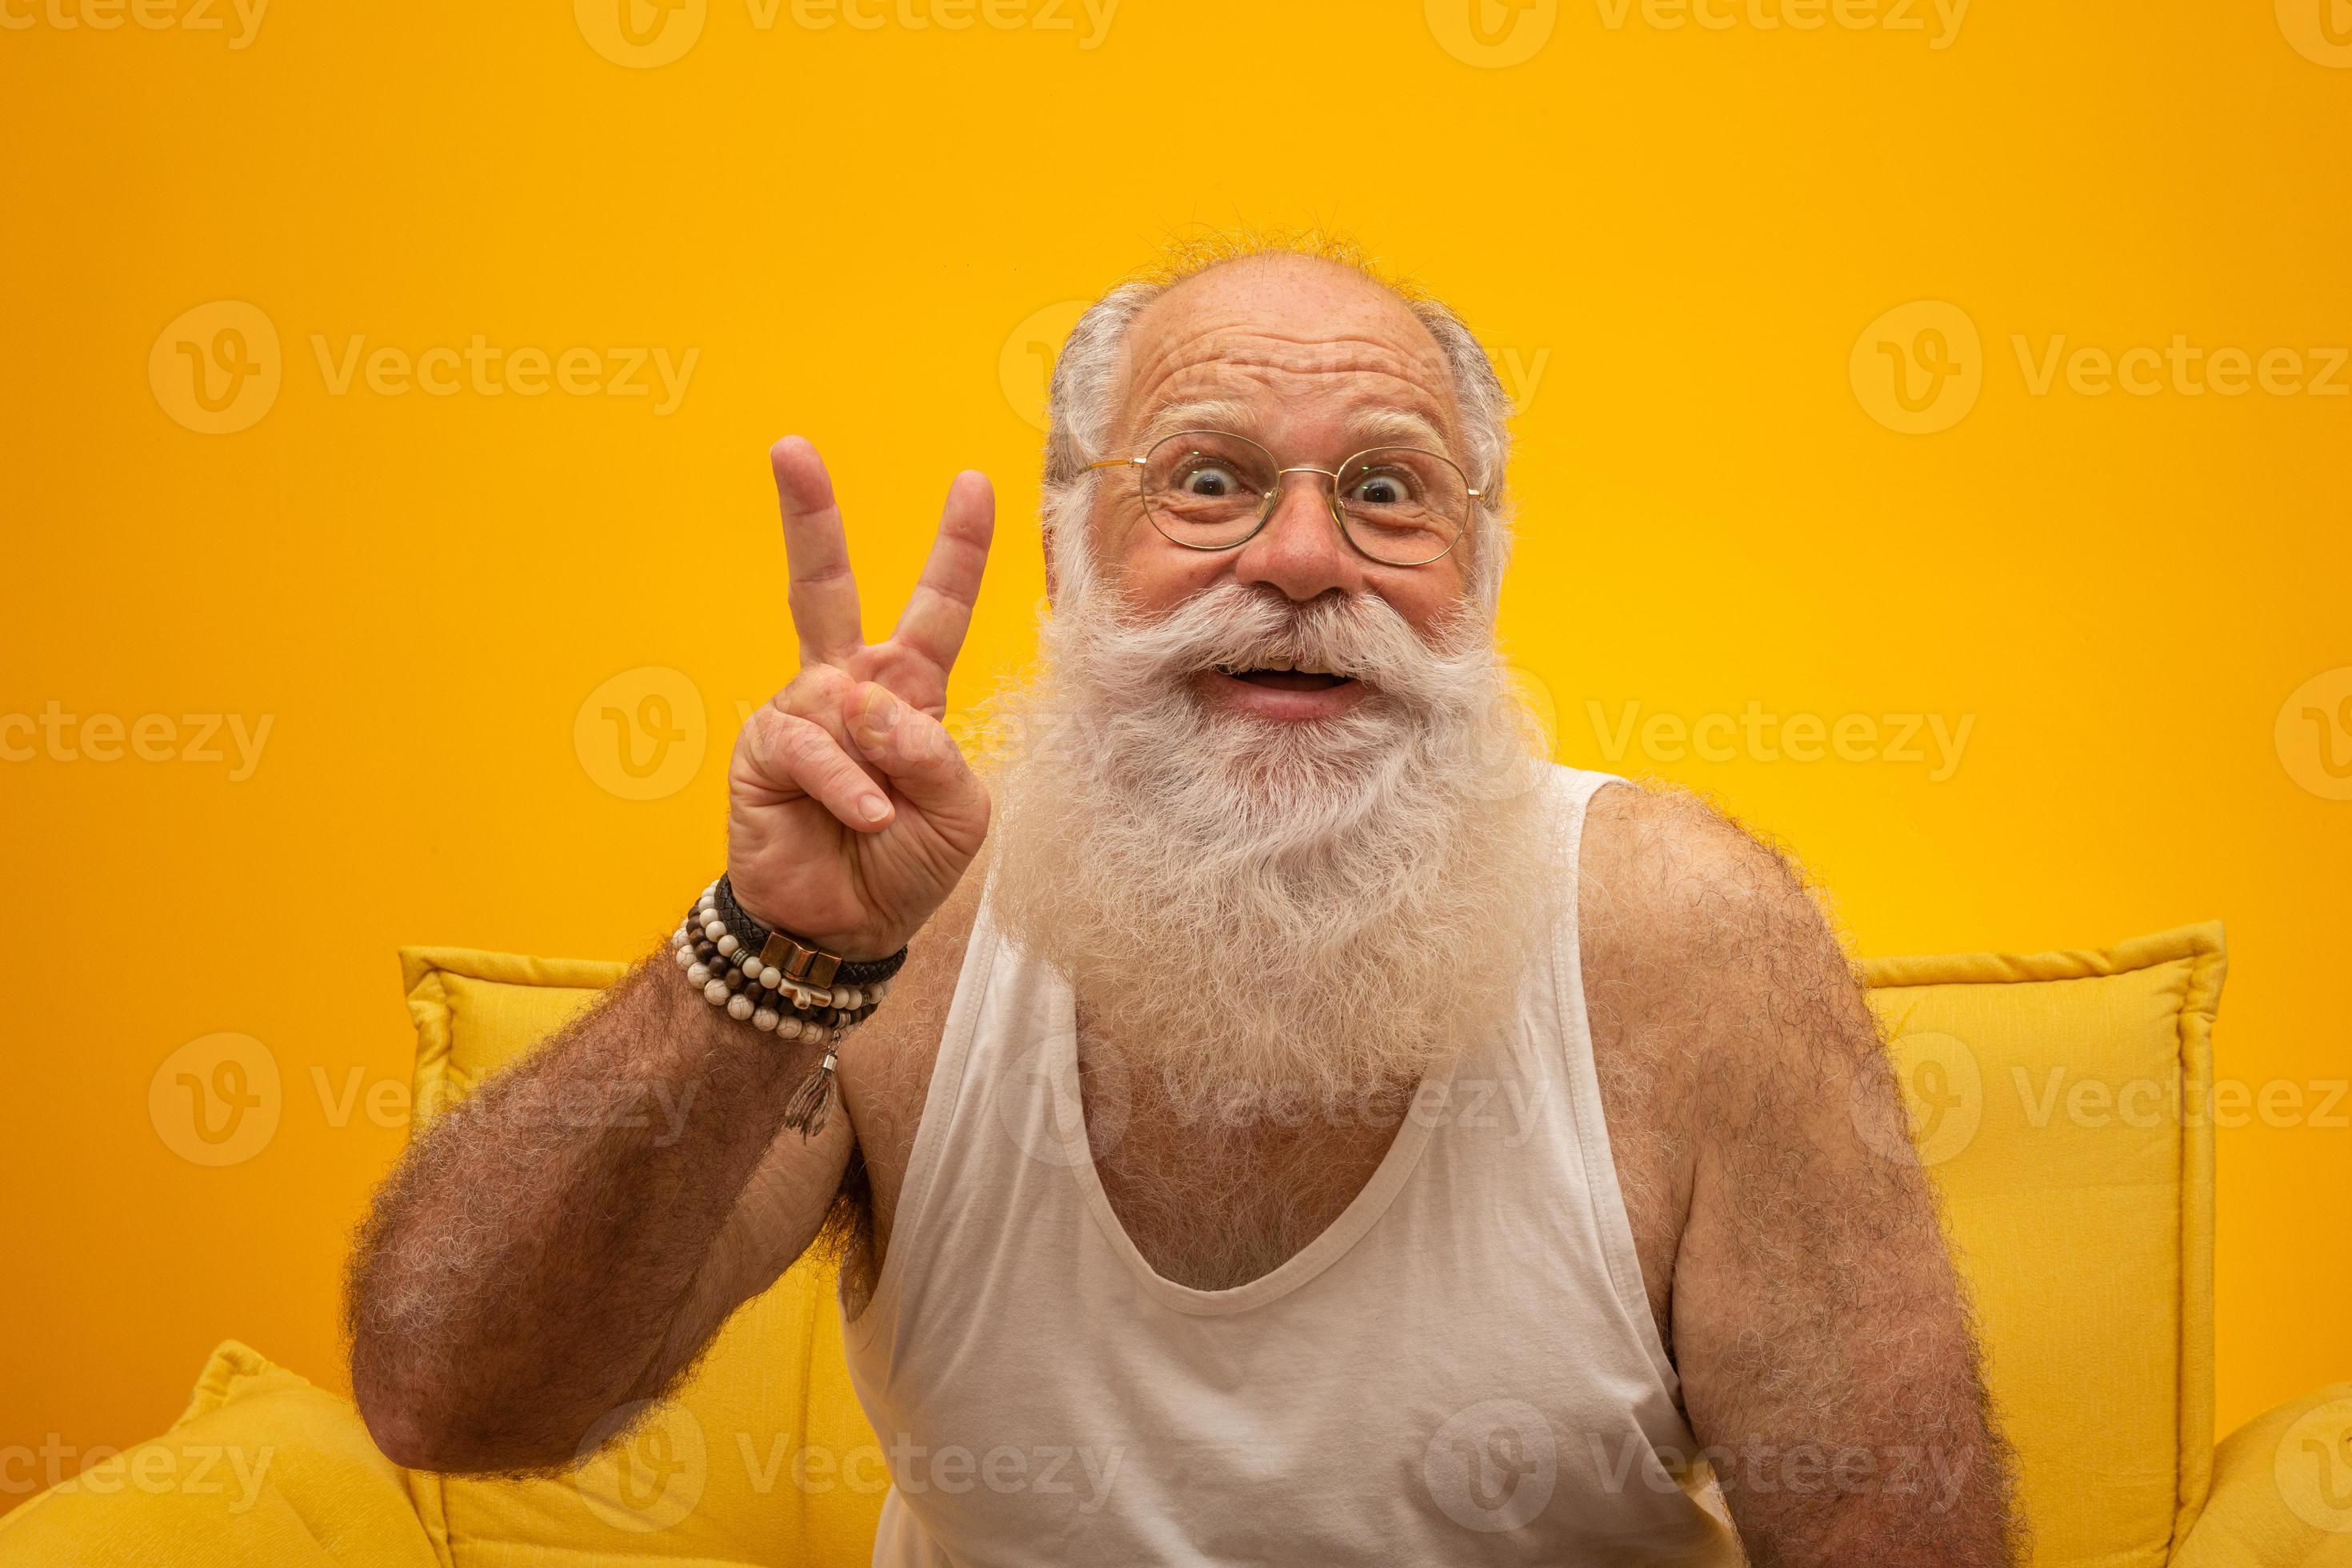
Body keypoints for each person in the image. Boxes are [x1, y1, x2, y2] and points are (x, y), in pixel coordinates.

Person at [345, 231, 2023, 1566]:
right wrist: (775, 951)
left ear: (1484, 573)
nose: (1300, 558)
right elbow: (453, 1400)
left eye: (1388, 489)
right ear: (1070, 556)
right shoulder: (904, 924)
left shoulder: (1688, 936)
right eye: (1208, 480)